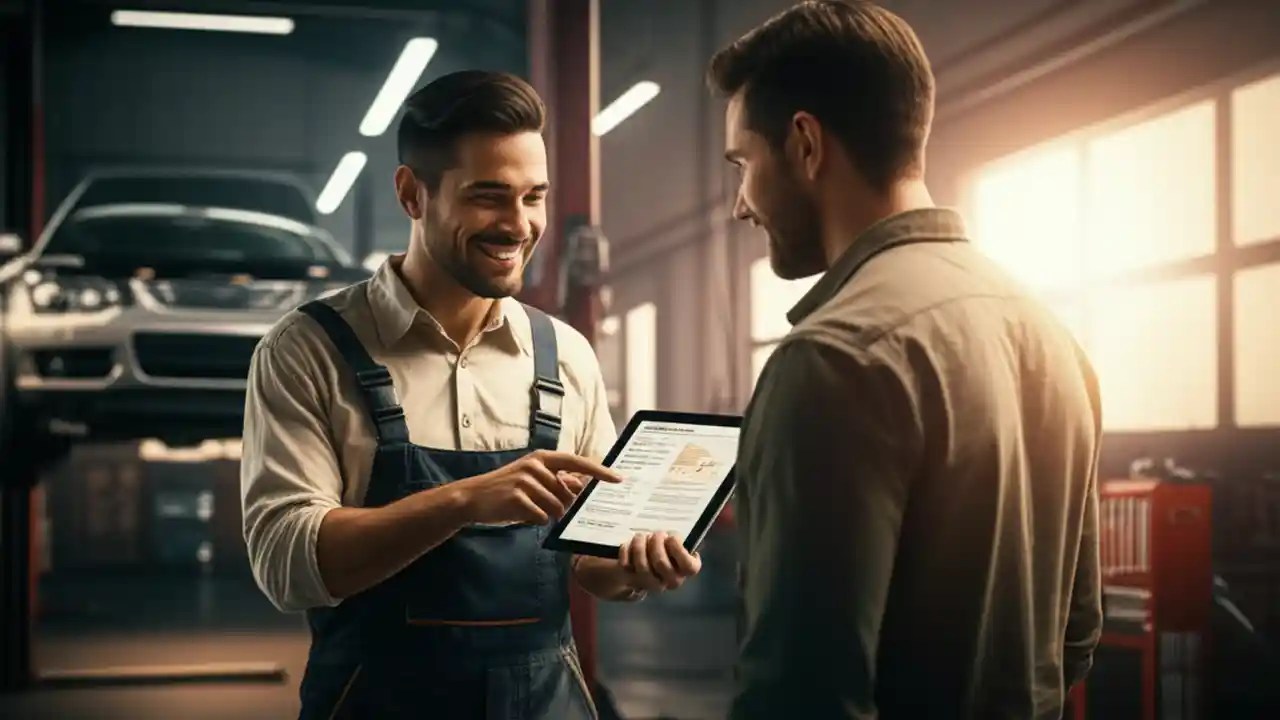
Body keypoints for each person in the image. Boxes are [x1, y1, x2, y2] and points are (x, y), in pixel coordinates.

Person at [240, 70, 702, 719]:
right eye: (489, 197)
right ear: (411, 194)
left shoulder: (564, 354)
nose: (519, 225)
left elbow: (591, 561)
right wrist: (462, 501)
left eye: (534, 196)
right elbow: (289, 564)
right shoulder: (309, 352)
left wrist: (635, 567)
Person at [707, 2, 1104, 718]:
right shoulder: (1051, 334)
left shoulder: (833, 361)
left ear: (804, 144)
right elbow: (1071, 635)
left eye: (743, 163)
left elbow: (801, 694)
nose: (741, 204)